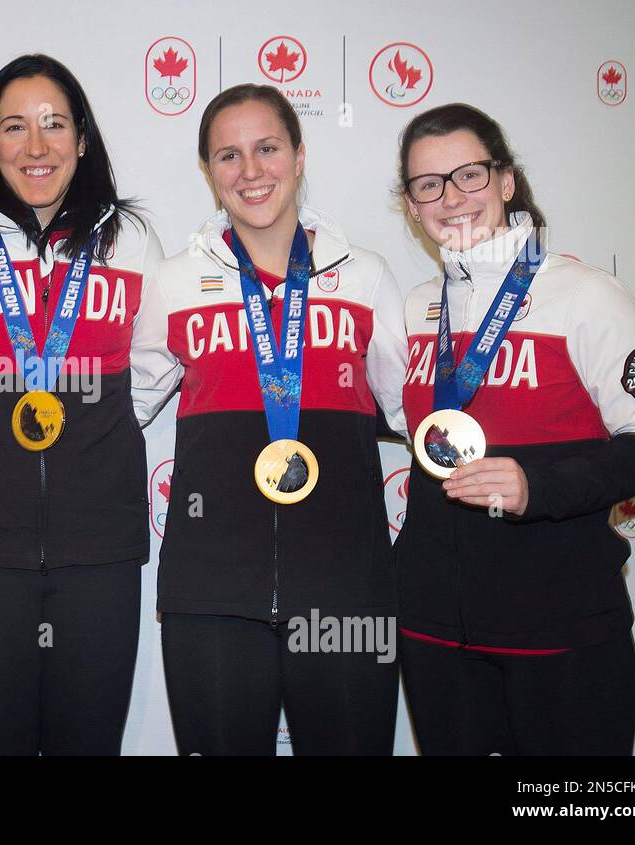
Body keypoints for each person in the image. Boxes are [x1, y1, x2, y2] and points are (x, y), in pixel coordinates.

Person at [395, 103, 635, 755]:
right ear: (412, 206)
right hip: (437, 634)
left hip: (563, 632)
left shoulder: (585, 293)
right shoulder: (416, 308)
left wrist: (539, 487)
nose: (451, 198)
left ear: (505, 181)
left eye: (469, 175)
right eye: (428, 184)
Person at [0, 54, 174, 755]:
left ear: (83, 139)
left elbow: (153, 366)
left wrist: (97, 429)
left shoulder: (129, 239)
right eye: (15, 128)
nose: (36, 147)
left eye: (55, 125)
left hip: (100, 550)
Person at [149, 84, 408, 755]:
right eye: (228, 155)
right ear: (208, 173)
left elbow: (417, 413)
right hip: (211, 595)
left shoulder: (364, 276)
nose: (251, 170)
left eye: (267, 148)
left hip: (345, 591)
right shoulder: (173, 283)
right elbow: (119, 407)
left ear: (298, 155)